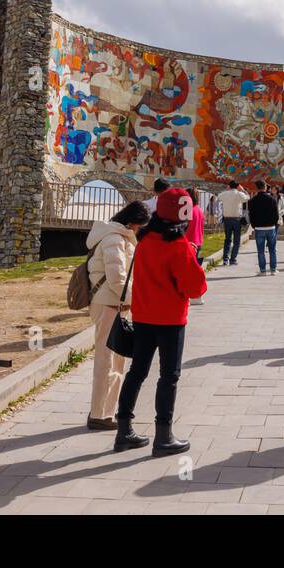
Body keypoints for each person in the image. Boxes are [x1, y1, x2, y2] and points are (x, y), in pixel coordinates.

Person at [113, 187, 208, 455]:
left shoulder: (144, 240)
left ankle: (124, 431)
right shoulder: (179, 247)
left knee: (137, 372)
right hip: (170, 320)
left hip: (142, 316)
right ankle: (163, 435)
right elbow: (195, 288)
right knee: (169, 376)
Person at [84, 201, 149, 431]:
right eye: (141, 226)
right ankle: (99, 413)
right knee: (106, 360)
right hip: (109, 304)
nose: (141, 231)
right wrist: (137, 300)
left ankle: (105, 411)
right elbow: (117, 279)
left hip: (114, 304)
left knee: (115, 359)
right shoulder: (114, 239)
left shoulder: (117, 237)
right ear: (132, 223)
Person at [247, 179, 280, 276]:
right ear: (265, 187)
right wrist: (273, 223)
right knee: (272, 250)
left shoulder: (252, 201)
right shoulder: (272, 199)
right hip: (271, 228)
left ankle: (263, 270)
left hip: (259, 228)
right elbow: (276, 215)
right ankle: (273, 270)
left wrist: (254, 226)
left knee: (260, 251)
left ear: (256, 188)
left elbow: (251, 215)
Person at [218, 179, 249, 266]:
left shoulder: (225, 194)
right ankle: (233, 259)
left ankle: (225, 259)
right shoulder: (239, 194)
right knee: (236, 240)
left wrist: (227, 189)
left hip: (227, 219)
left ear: (229, 186)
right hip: (236, 219)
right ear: (237, 186)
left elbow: (219, 196)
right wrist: (242, 190)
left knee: (227, 239)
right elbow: (248, 198)